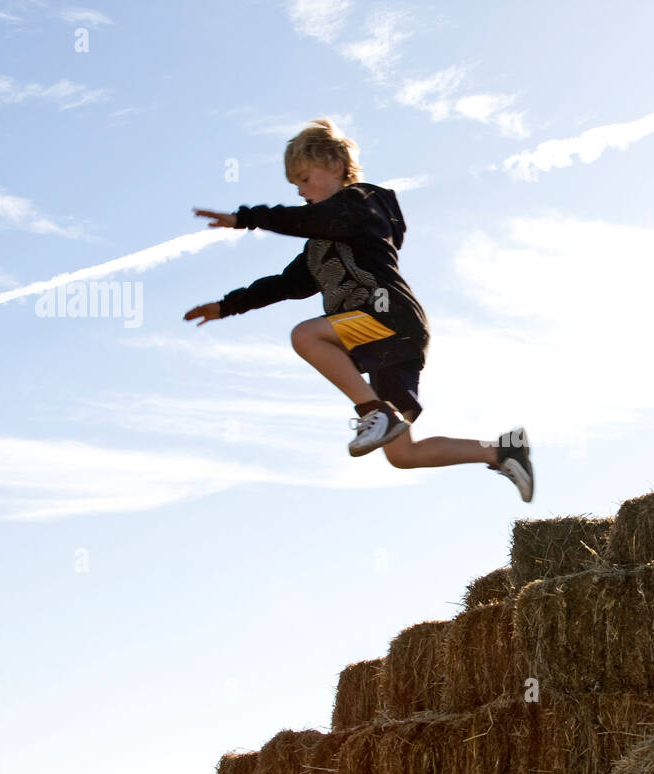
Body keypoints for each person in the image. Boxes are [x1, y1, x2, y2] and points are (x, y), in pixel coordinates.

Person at [183, 118, 533, 502]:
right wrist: (227, 306)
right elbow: (286, 284)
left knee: (305, 335)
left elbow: (307, 220)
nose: (301, 191)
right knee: (402, 454)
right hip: (391, 342)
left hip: (387, 315)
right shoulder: (319, 245)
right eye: (295, 185)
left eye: (304, 178)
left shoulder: (362, 205)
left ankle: (372, 411)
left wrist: (247, 219)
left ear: (334, 163)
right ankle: (502, 450)